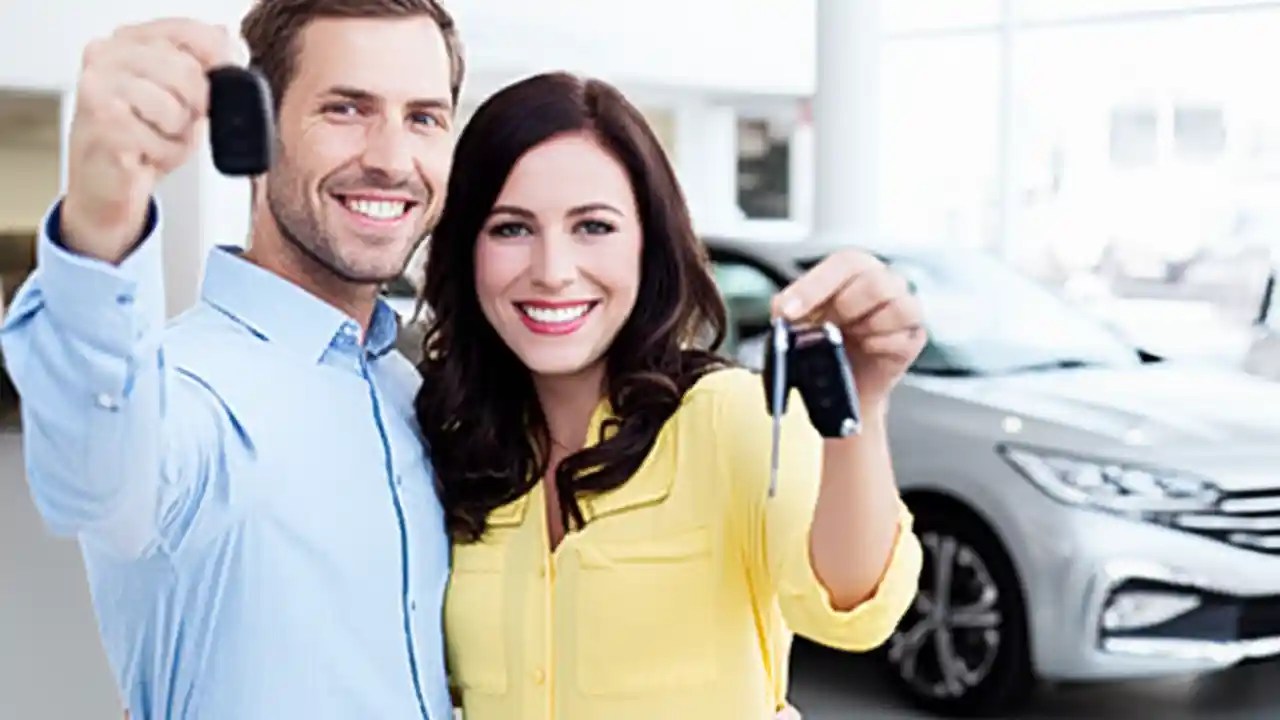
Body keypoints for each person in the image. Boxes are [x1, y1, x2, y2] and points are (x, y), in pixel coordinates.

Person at [0, 2, 465, 717]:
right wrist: (100, 223)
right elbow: (94, 482)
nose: (392, 159)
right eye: (345, 109)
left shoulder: (413, 393)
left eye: (424, 117)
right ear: (253, 125)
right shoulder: (186, 393)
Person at [415, 71, 927, 719]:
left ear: (648, 244)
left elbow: (851, 607)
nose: (552, 271)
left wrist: (858, 410)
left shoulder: (725, 414)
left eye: (593, 226)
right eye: (512, 229)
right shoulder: (452, 437)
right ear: (467, 249)